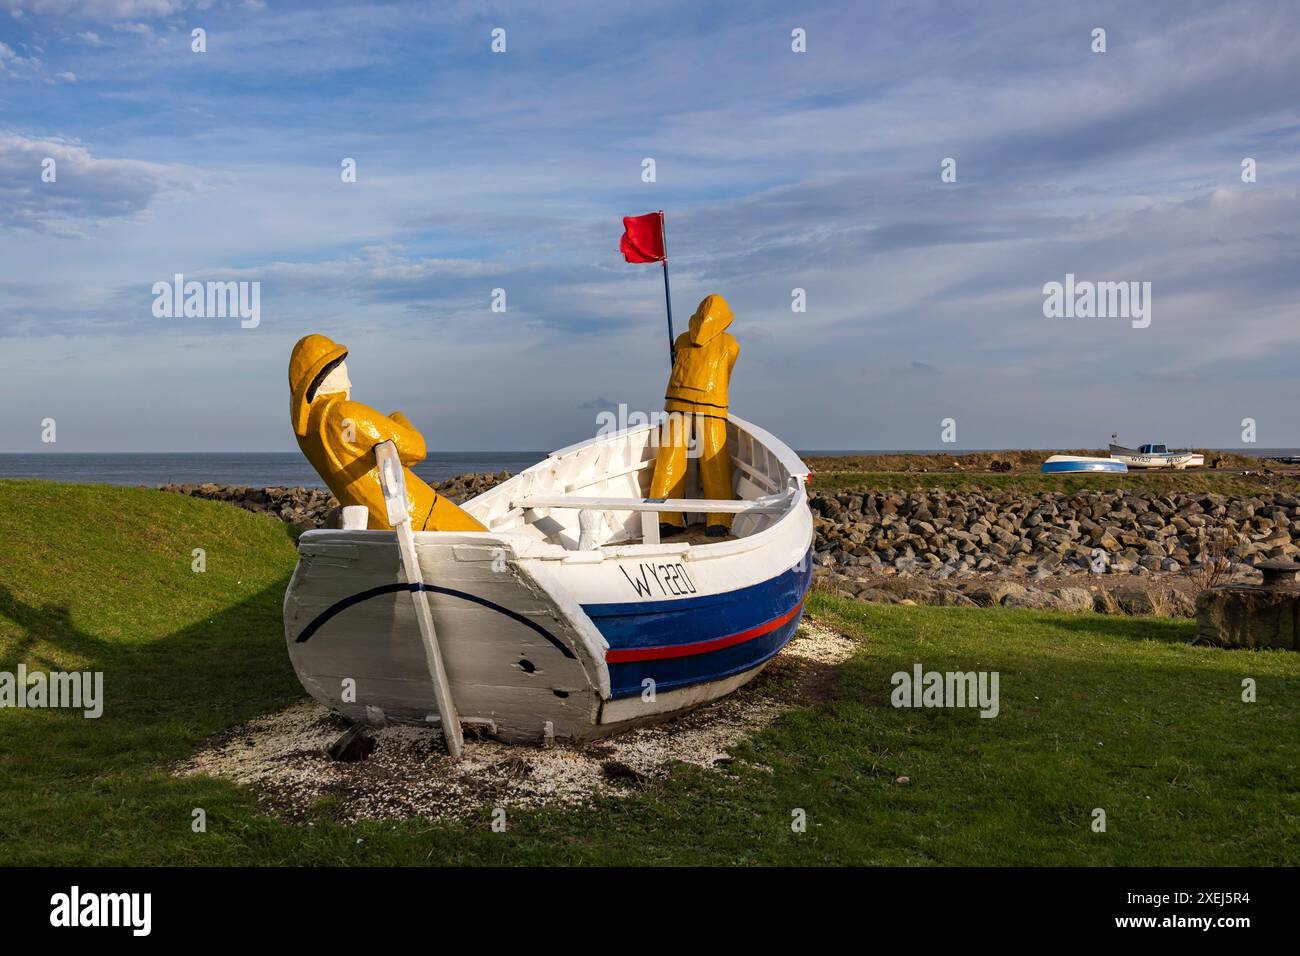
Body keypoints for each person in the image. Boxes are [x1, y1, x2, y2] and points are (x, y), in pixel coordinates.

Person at [288, 333, 486, 532]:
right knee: (496, 545)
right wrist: (397, 418)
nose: (350, 384)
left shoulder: (307, 434)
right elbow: (417, 448)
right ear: (325, 377)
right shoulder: (342, 413)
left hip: (374, 526)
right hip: (420, 519)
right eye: (344, 376)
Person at [648, 294, 739, 537]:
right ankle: (718, 520)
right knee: (714, 461)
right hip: (712, 404)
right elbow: (726, 375)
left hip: (677, 400)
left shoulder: (681, 340)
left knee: (669, 458)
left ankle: (663, 518)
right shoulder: (731, 344)